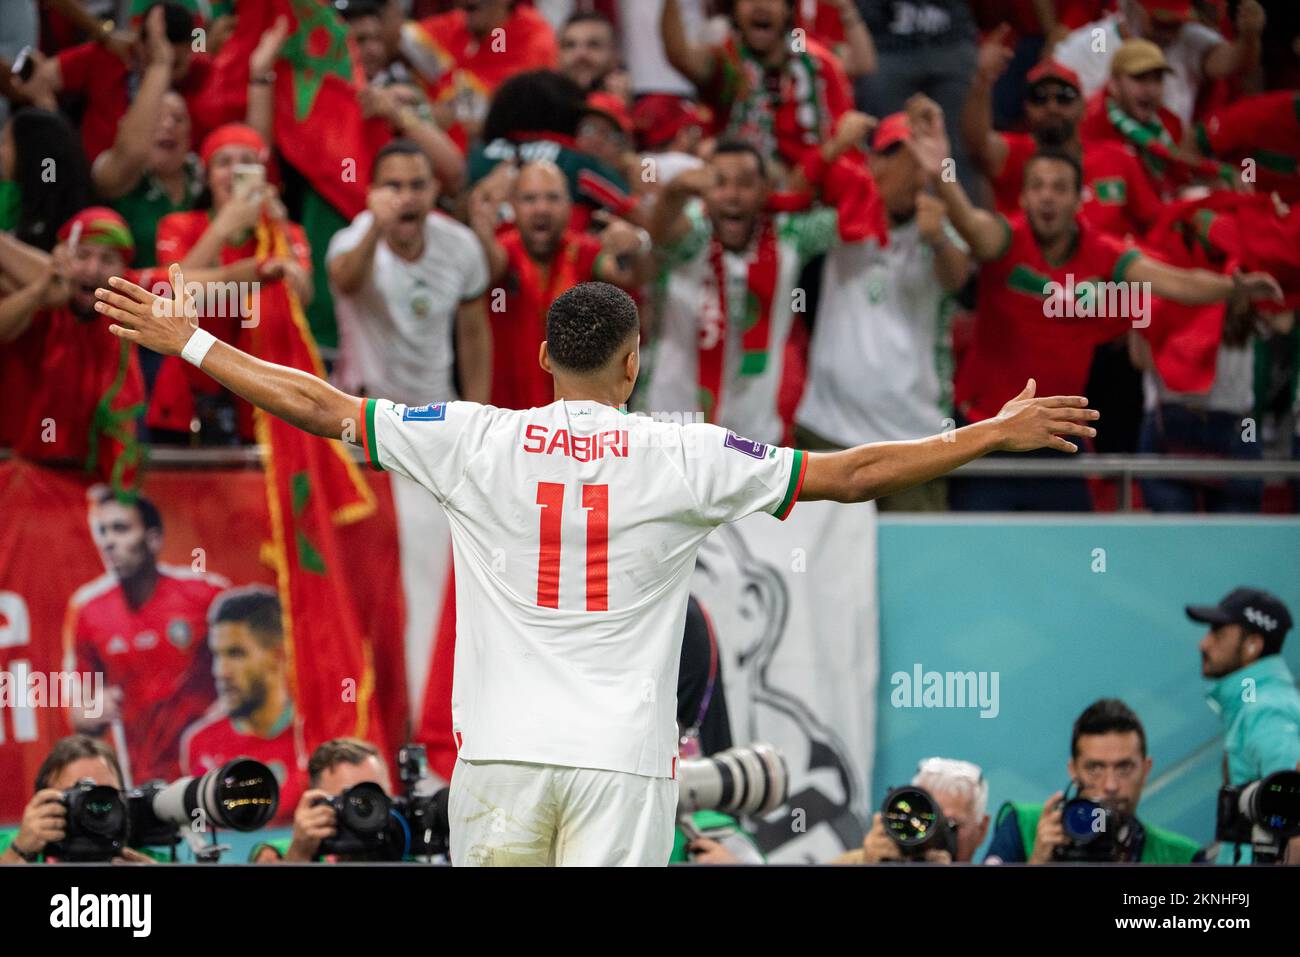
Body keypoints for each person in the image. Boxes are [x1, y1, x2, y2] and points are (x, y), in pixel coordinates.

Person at [96, 257, 1102, 865]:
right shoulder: (686, 452)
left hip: (498, 760)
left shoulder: (470, 436)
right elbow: (854, 472)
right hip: (620, 766)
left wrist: (192, 345)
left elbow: (320, 406)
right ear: (632, 363)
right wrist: (988, 431)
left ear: (541, 359)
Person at [906, 94, 1283, 511]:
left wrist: (1232, 288)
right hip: (986, 433)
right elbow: (973, 227)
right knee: (977, 550)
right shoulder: (1006, 239)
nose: (1047, 197)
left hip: (1056, 440)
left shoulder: (1102, 252)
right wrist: (942, 173)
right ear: (1024, 198)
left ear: (1078, 199)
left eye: (1059, 188)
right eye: (1037, 187)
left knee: (1077, 552)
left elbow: (1172, 281)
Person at [795, 112, 972, 510]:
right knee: (823, 551)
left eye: (921, 165)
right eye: (903, 161)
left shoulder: (940, 228)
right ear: (875, 164)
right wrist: (832, 149)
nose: (914, 176)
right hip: (828, 431)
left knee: (918, 550)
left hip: (915, 441)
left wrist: (937, 239)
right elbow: (787, 219)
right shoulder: (843, 221)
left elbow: (958, 277)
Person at [643, 131, 856, 446]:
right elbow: (662, 232)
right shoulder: (693, 233)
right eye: (720, 182)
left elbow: (855, 212)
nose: (732, 195)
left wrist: (831, 151)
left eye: (745, 183)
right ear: (702, 188)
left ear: (765, 190)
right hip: (670, 427)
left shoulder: (791, 237)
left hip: (752, 435)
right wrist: (674, 191)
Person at [64, 489, 228, 785]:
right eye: (103, 531)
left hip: (209, 774)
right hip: (141, 783)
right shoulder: (90, 612)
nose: (108, 541)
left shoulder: (205, 595)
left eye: (120, 529)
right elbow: (79, 711)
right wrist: (91, 711)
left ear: (153, 539)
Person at [467, 160, 648, 411]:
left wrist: (636, 245)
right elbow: (491, 266)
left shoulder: (584, 251)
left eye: (552, 198)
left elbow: (629, 276)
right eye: (529, 198)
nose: (541, 208)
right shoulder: (503, 252)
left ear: (569, 206)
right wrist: (482, 232)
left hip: (577, 420)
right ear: (513, 206)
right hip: (511, 417)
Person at [328, 140, 491, 408]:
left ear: (434, 189)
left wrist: (477, 411)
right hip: (363, 410)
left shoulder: (461, 244)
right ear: (372, 192)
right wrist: (377, 227)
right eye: (394, 186)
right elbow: (346, 282)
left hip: (435, 407)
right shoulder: (351, 239)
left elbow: (473, 334)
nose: (406, 197)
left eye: (417, 185)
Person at [0, 208, 154, 480]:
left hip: (92, 479)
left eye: (107, 259)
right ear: (61, 257)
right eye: (82, 256)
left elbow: (210, 283)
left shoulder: (127, 300)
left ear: (124, 270)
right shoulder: (37, 298)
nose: (93, 269)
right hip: (21, 474)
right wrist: (38, 291)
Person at [963, 52, 1161, 239]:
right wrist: (982, 82)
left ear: (1083, 105)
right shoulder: (1013, 153)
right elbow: (978, 145)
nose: (1052, 107)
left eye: (1064, 97)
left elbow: (1156, 221)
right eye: (1040, 98)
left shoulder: (1117, 158)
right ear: (1027, 108)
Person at [983, 699, 1203, 864]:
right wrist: (1038, 861)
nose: (1110, 785)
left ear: (1146, 769)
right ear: (1073, 771)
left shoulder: (1182, 857)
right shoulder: (1024, 825)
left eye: (1124, 768)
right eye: (1095, 769)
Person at [661, 0, 853, 185]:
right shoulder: (727, 62)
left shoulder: (818, 63)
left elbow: (863, 63)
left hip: (813, 190)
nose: (760, 5)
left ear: (787, 9)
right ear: (734, 10)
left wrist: (846, 9)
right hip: (738, 191)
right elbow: (680, 55)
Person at [19, 2, 210, 165]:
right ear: (138, 44)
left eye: (174, 64)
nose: (163, 74)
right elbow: (35, 77)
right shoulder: (108, 57)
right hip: (97, 179)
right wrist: (49, 111)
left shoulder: (202, 72)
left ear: (190, 52)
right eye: (155, 60)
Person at [1188, 588, 1300, 863]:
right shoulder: (1262, 703)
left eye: (1218, 633)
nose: (1204, 644)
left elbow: (1293, 816)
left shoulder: (1265, 710)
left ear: (1252, 644)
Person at [179, 586, 305, 823]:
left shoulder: (311, 737)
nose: (220, 671)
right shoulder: (200, 743)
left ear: (277, 656)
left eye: (236, 654)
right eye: (217, 655)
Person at [1052, 0, 1265, 128]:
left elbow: (1234, 62)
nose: (1169, 32)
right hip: (1103, 156)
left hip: (1167, 162)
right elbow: (1049, 93)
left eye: (1177, 23)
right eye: (1160, 22)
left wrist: (1249, 37)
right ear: (1132, 7)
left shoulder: (1188, 38)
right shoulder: (1094, 41)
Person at [400, 0, 559, 150]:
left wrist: (454, 121)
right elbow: (400, 36)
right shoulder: (461, 22)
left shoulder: (532, 37)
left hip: (506, 149)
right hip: (436, 144)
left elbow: (521, 115)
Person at [0, 735, 153, 864]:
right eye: (78, 795)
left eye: (104, 795)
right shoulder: (11, 846)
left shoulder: (146, 855)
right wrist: (17, 853)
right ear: (43, 803)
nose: (94, 807)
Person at [250, 737, 392, 863]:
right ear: (316, 803)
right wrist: (298, 856)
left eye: (374, 796)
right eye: (348, 800)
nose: (364, 809)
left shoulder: (404, 844)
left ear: (391, 792)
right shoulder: (277, 855)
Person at [833, 757, 990, 864]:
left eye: (950, 823)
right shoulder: (857, 862)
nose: (932, 831)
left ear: (982, 829)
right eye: (923, 818)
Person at [0, 108, 94, 251]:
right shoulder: (13, 195)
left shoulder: (67, 219)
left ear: (28, 150)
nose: (1, 151)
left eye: (6, 142)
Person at [558, 10, 622, 95]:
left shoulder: (639, 103)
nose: (580, 54)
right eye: (570, 45)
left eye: (593, 45)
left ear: (614, 55)